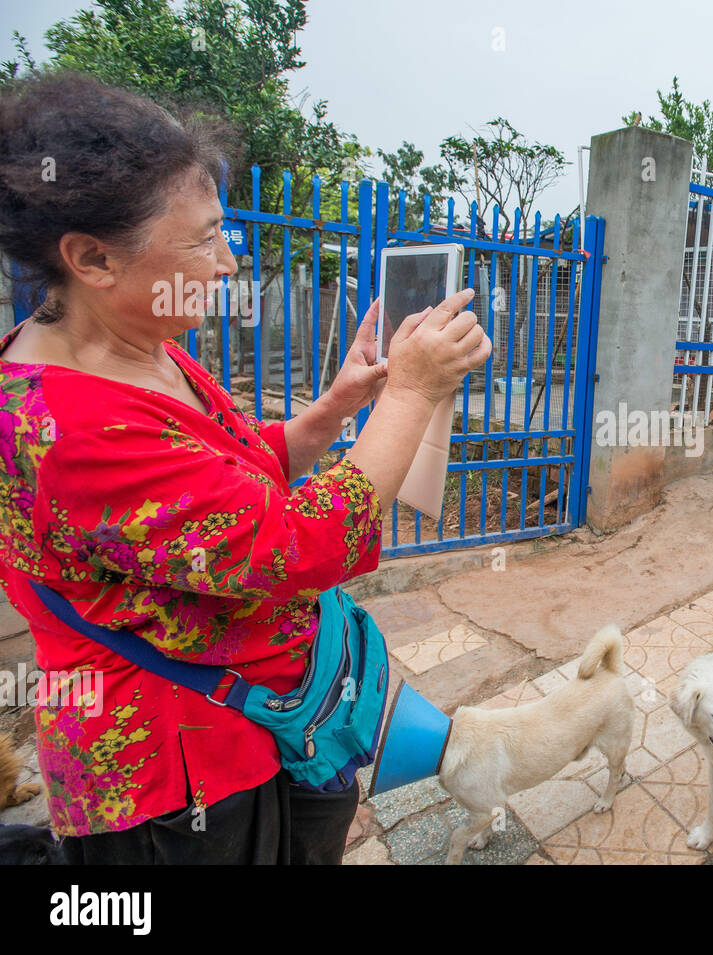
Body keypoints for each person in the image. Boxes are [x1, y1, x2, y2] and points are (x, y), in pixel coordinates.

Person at [0, 73, 491, 863]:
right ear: (93, 258)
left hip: (247, 719)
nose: (228, 262)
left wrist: (333, 408)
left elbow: (229, 469)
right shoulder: (68, 428)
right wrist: (412, 394)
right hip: (174, 779)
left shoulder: (140, 349)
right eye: (203, 240)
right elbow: (292, 545)